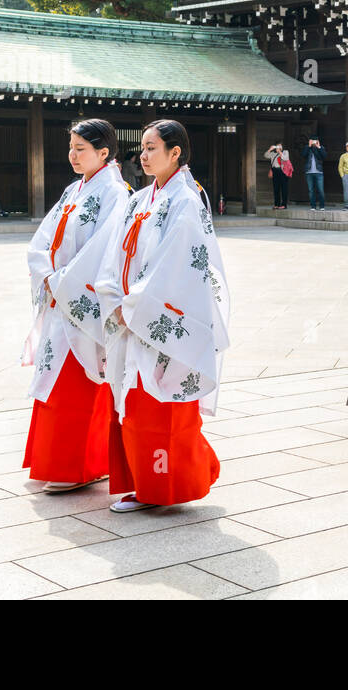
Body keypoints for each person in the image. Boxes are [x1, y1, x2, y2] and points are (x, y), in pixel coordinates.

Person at [94, 119, 230, 513]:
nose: (145, 154)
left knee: (160, 406)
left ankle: (161, 487)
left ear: (176, 153)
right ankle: (151, 479)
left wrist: (133, 304)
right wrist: (112, 296)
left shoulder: (186, 201)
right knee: (135, 406)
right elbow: (115, 253)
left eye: (154, 148)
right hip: (133, 313)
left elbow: (176, 266)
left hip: (160, 319)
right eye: (144, 147)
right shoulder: (141, 198)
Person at [22, 119, 130, 493]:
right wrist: (46, 273)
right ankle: (60, 461)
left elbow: (102, 250)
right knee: (55, 380)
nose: (72, 154)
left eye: (80, 148)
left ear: (104, 152)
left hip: (79, 301)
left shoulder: (115, 193)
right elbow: (43, 239)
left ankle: (79, 466)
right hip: (59, 295)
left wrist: (60, 282)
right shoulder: (75, 188)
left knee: (78, 383)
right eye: (71, 147)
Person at [265, 144, 291, 209]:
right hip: (275, 171)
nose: (278, 147)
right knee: (276, 188)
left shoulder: (285, 152)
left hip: (282, 171)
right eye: (277, 146)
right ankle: (277, 204)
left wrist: (279, 151)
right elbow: (265, 155)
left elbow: (285, 158)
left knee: (284, 188)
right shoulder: (273, 153)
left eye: (280, 146)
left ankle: (284, 205)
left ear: (282, 147)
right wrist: (270, 149)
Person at [303, 137, 326, 210]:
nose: (313, 142)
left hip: (319, 172)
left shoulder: (321, 148)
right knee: (311, 190)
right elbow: (303, 155)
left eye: (314, 141)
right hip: (309, 172)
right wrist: (309, 146)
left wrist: (318, 147)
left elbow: (324, 156)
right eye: (312, 141)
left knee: (320, 190)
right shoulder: (307, 147)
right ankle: (313, 206)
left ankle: (322, 206)